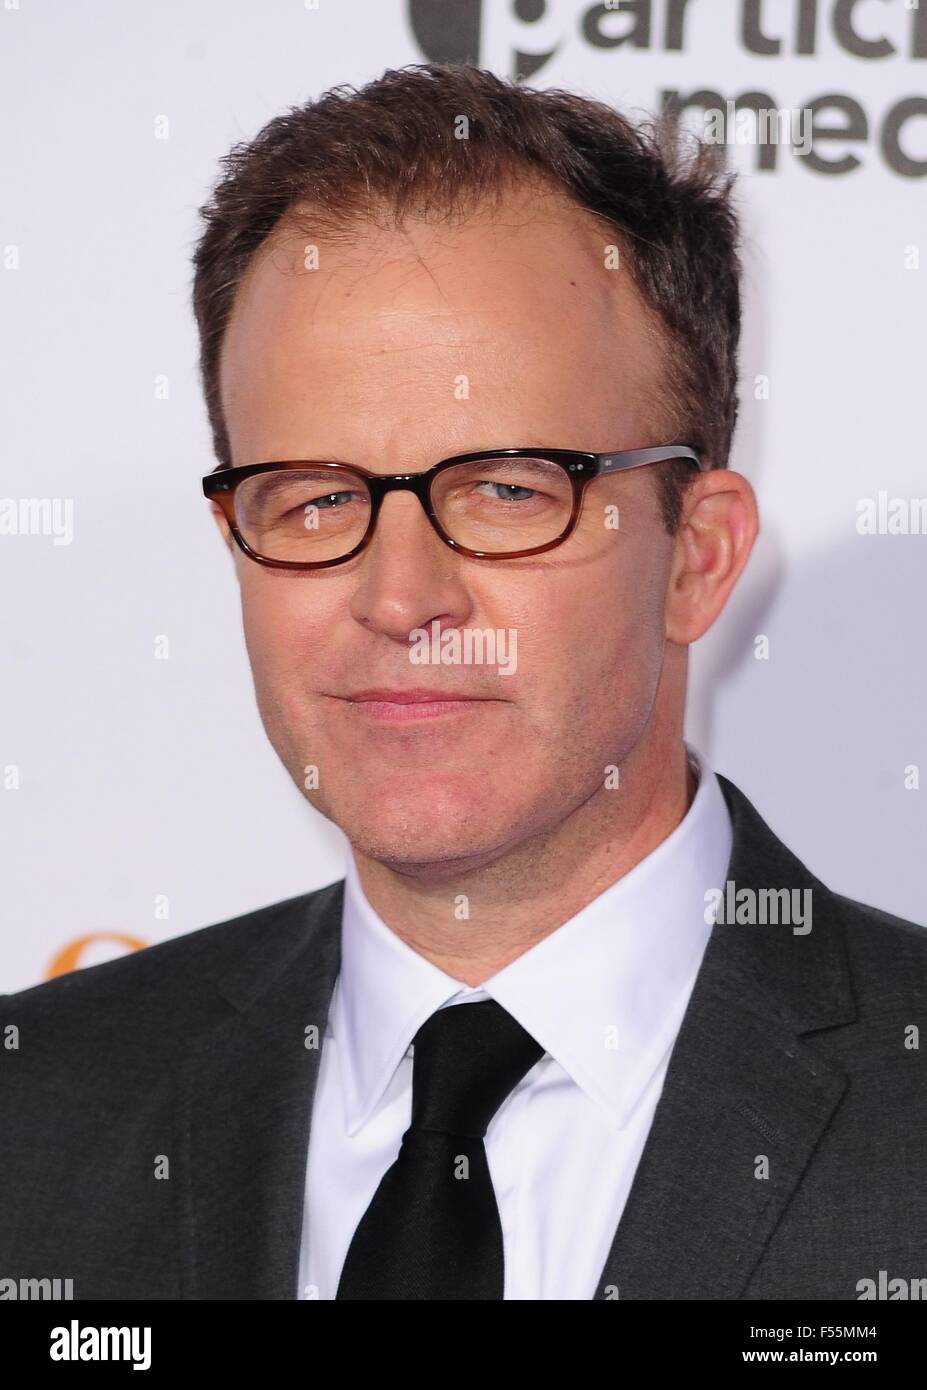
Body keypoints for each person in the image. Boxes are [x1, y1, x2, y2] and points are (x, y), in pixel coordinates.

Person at [1, 63, 925, 1302]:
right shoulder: (34, 1116)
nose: (401, 598)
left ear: (696, 560)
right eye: (317, 498)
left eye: (505, 489)